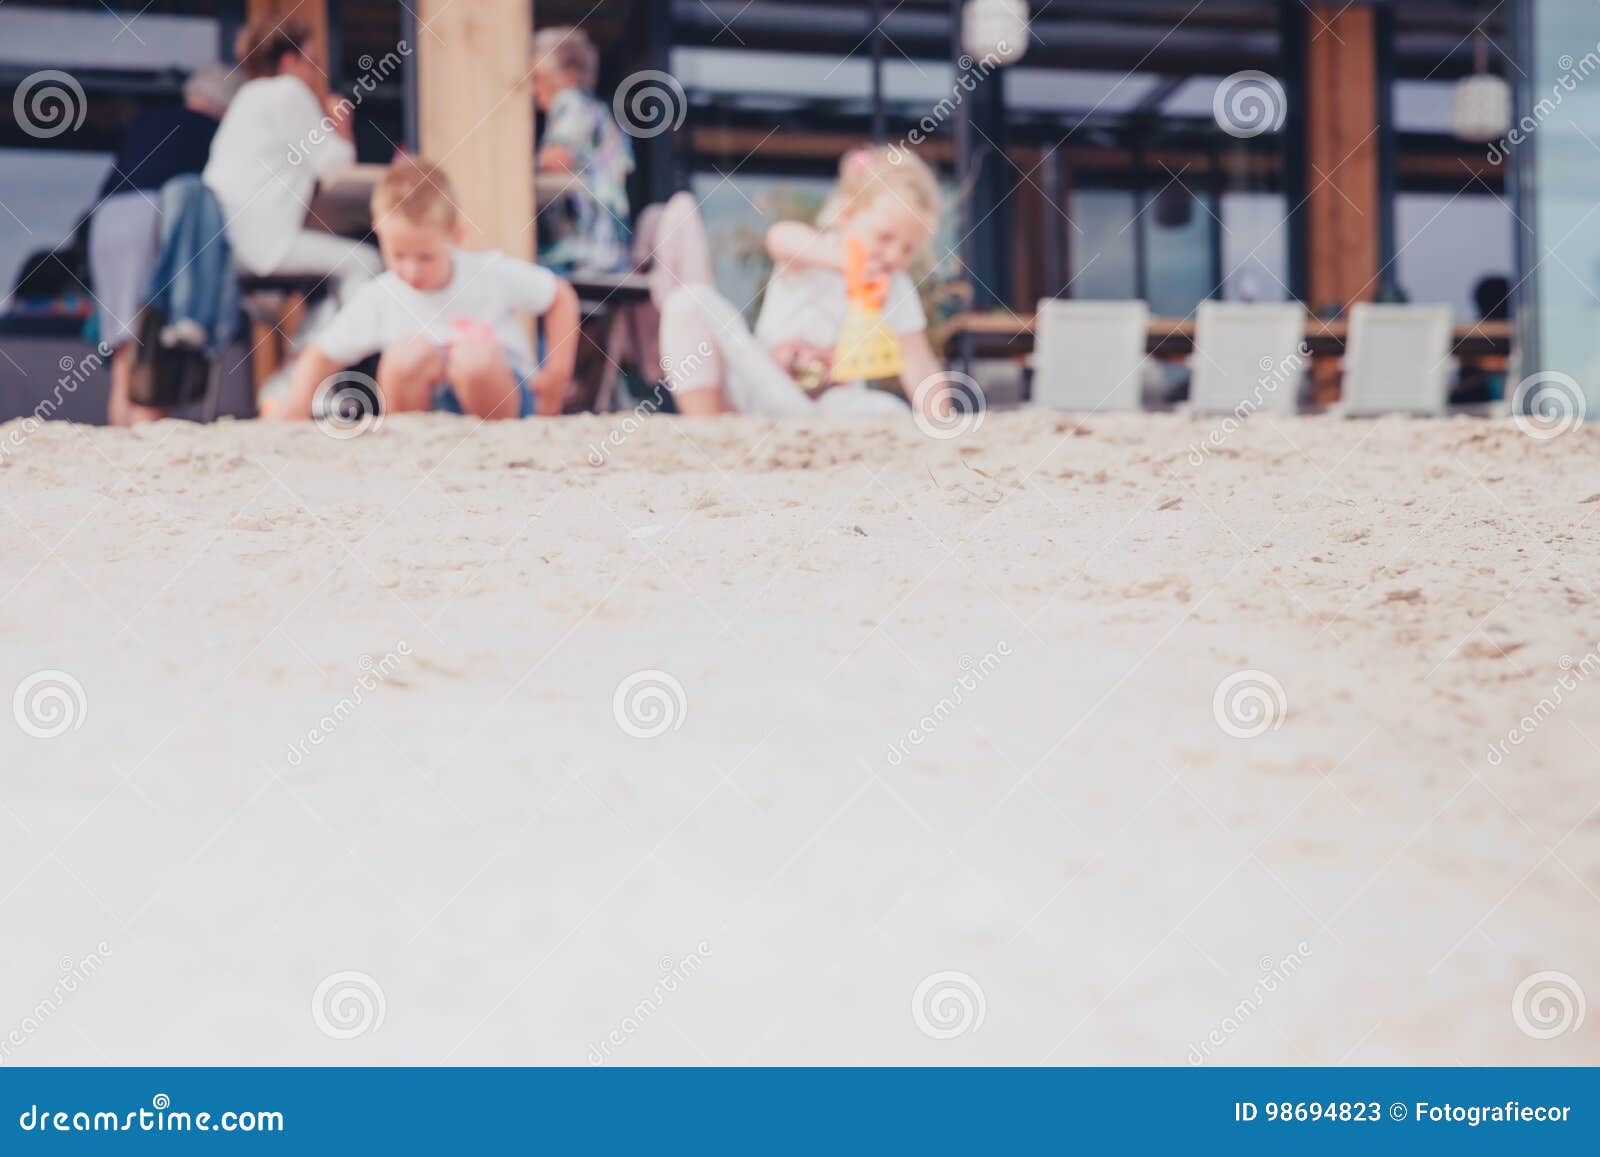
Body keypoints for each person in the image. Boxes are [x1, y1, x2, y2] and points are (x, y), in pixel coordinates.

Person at [278, 158, 579, 421]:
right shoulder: (380, 295)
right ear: (379, 233)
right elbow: (322, 354)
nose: (411, 270)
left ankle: (497, 446)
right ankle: (412, 448)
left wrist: (557, 376)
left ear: (456, 236)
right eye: (398, 256)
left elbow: (560, 297)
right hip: (425, 407)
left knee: (474, 359)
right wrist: (294, 408)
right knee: (405, 358)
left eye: (426, 257)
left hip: (498, 398)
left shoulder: (488, 273)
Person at [657, 146, 945, 418]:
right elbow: (779, 238)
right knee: (688, 301)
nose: (893, 255)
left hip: (820, 408)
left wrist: (941, 418)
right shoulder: (815, 251)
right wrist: (847, 263)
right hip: (760, 387)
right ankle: (704, 427)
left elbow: (917, 361)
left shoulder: (895, 285)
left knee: (891, 412)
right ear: (847, 215)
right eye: (884, 237)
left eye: (908, 249)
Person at [87, 64, 238, 425]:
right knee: (153, 336)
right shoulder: (214, 132)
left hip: (107, 216)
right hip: (153, 214)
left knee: (125, 344)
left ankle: (120, 433)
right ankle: (146, 433)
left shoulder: (148, 121)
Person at [203, 18, 381, 303]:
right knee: (366, 261)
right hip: (266, 246)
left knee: (332, 265)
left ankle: (307, 345)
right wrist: (343, 124)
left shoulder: (245, 98)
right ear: (288, 61)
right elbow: (335, 164)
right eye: (312, 62)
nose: (315, 74)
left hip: (234, 246)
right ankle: (337, 346)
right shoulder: (288, 91)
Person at [532, 25, 634, 274]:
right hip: (610, 249)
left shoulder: (571, 102)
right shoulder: (599, 113)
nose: (533, 90)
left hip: (586, 251)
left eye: (537, 77)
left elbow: (557, 159)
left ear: (568, 76)